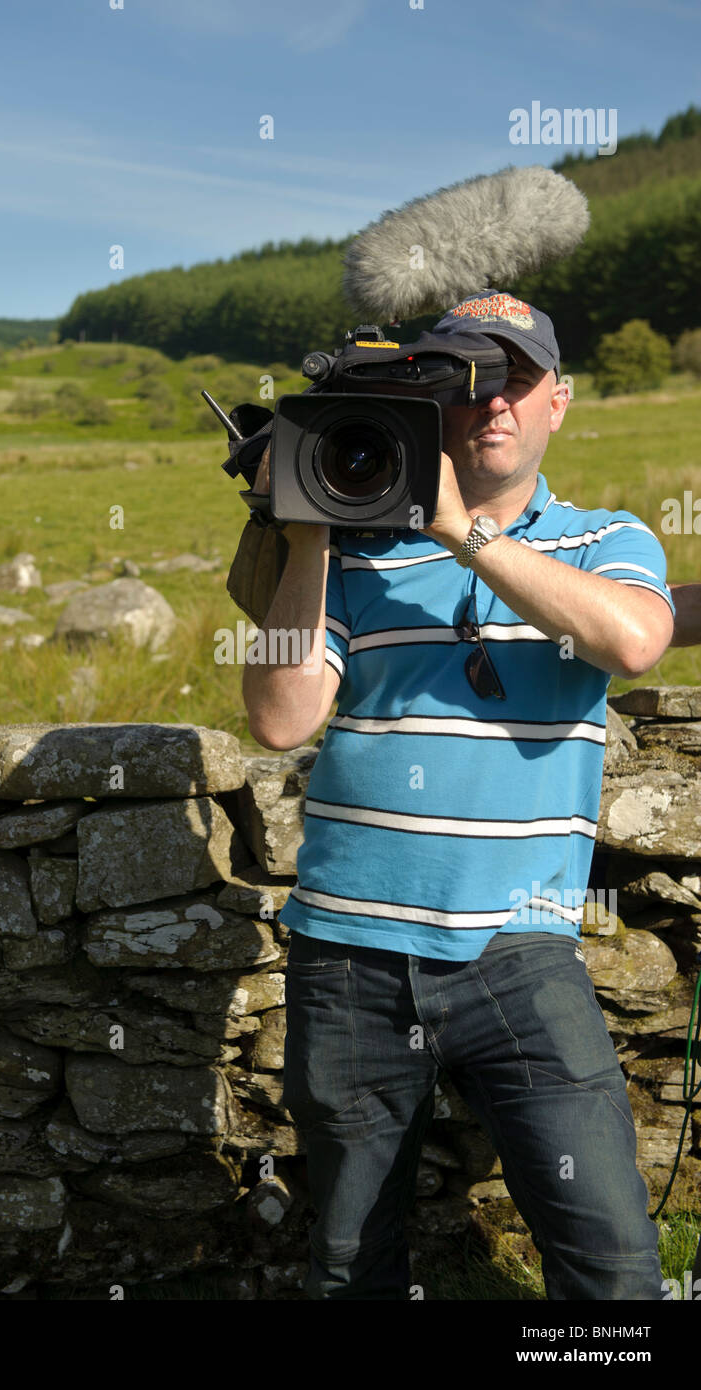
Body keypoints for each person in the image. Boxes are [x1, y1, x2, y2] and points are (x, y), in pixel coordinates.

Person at [240, 290, 675, 1301]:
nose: (490, 403)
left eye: (514, 378)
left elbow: (634, 639)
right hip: (346, 951)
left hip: (520, 953)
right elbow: (278, 714)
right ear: (424, 409)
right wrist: (306, 531)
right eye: (462, 382)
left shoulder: (602, 539)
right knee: (349, 1257)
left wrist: (458, 529)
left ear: (557, 401)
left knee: (612, 1262)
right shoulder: (353, 560)